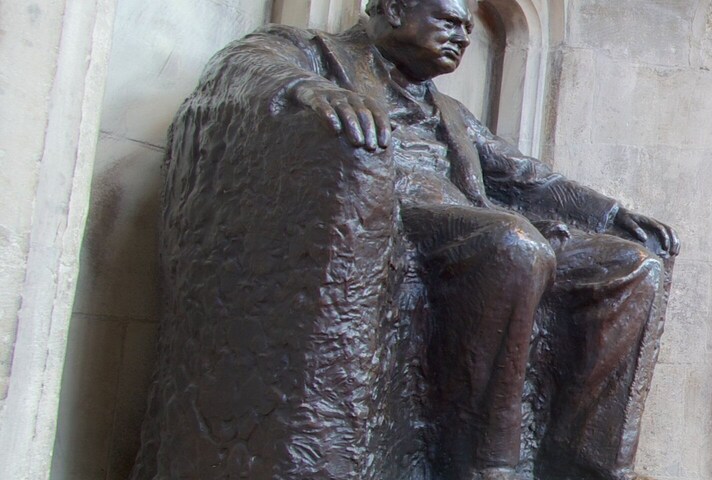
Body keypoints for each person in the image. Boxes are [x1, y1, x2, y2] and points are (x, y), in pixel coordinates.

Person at [138, 0, 676, 478]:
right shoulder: (314, 52)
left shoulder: (450, 111)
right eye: (447, 20)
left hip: (465, 220)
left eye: (468, 27)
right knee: (512, 245)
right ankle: (486, 463)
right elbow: (239, 68)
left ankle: (584, 462)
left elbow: (529, 178)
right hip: (391, 215)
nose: (463, 36)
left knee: (631, 266)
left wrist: (612, 214)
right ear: (394, 9)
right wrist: (313, 89)